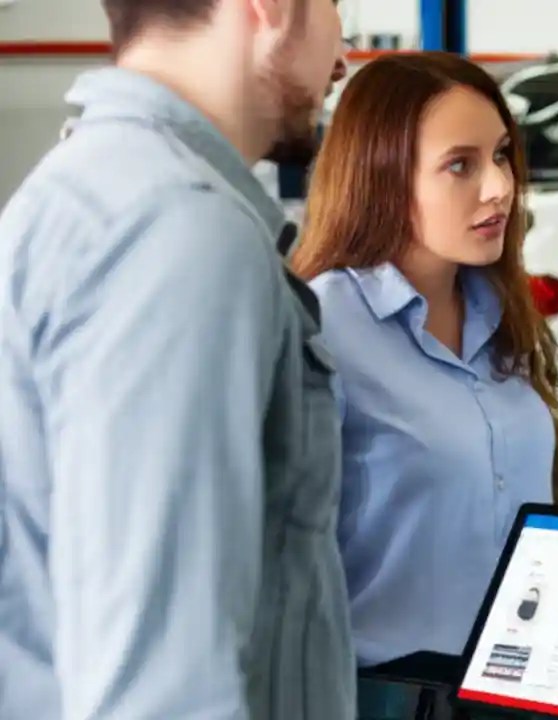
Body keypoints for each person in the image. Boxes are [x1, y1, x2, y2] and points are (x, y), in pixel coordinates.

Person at [0, 0, 352, 717]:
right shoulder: (178, 230)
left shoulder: (87, 191)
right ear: (271, 9)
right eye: (336, 5)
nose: (341, 54)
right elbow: (159, 690)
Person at [289, 52, 558, 719]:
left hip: (518, 692)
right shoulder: (318, 326)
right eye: (461, 165)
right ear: (384, 176)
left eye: (502, 156)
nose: (499, 187)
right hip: (381, 699)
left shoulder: (504, 318)